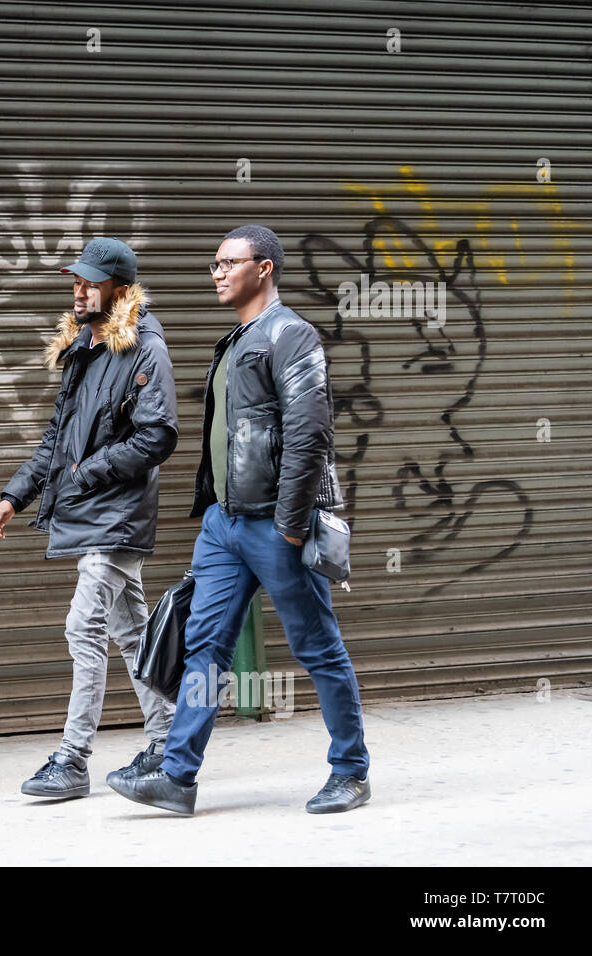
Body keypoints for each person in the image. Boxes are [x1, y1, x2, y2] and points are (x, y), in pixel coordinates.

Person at [108, 224, 371, 816]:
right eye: (214, 264)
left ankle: (350, 771)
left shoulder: (292, 335)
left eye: (230, 262)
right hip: (224, 526)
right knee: (203, 646)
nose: (218, 272)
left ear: (266, 268)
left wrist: (291, 525)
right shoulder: (235, 342)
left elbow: (310, 435)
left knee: (317, 646)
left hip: (276, 524)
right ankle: (177, 776)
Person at [0, 237, 180, 799]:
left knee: (82, 627)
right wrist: (14, 495)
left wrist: (87, 472)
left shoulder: (143, 348)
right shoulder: (84, 350)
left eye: (91, 282)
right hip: (94, 513)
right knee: (131, 630)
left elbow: (158, 435)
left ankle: (72, 759)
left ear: (119, 288)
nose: (79, 289)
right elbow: (55, 441)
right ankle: (168, 740)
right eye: (76, 280)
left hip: (116, 515)